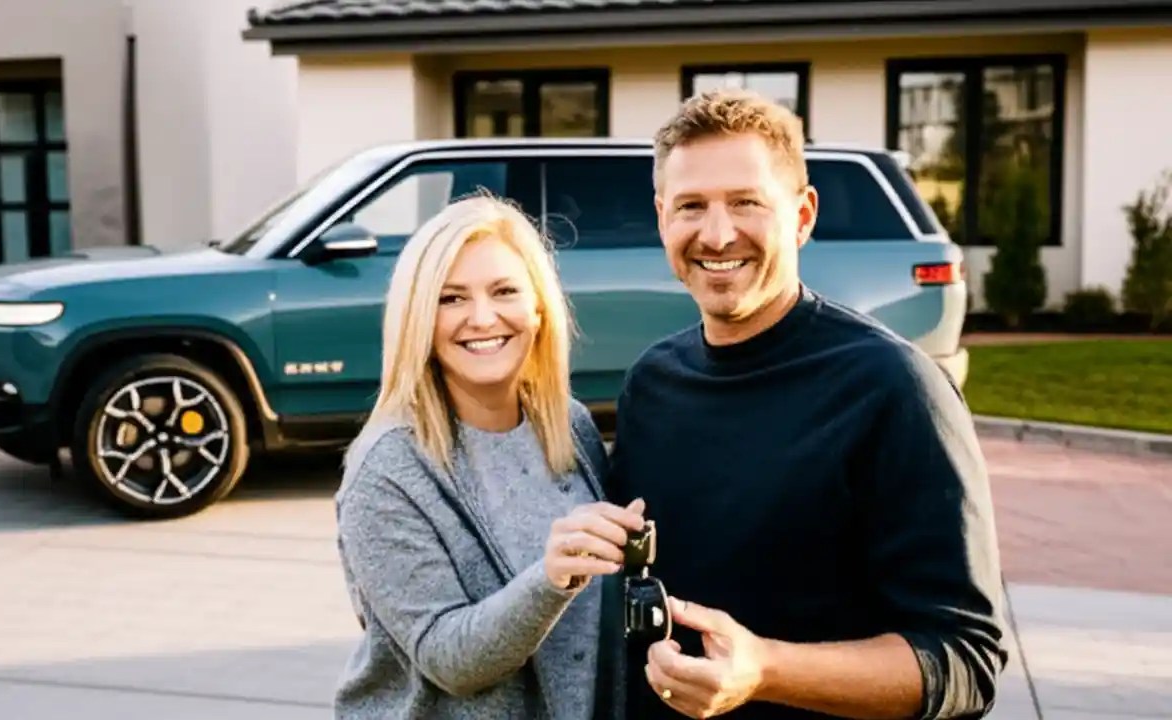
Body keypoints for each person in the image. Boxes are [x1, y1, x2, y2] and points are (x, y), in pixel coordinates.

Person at [605, 88, 1009, 719]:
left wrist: (765, 670)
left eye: (746, 203)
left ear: (802, 215)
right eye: (691, 206)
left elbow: (963, 660)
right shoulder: (652, 383)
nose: (717, 233)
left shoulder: (894, 388)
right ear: (661, 217)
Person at [332, 192, 642, 719]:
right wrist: (551, 578)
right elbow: (448, 658)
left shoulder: (568, 425)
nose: (482, 317)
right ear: (418, 320)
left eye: (504, 291)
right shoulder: (387, 471)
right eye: (451, 298)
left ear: (538, 309)